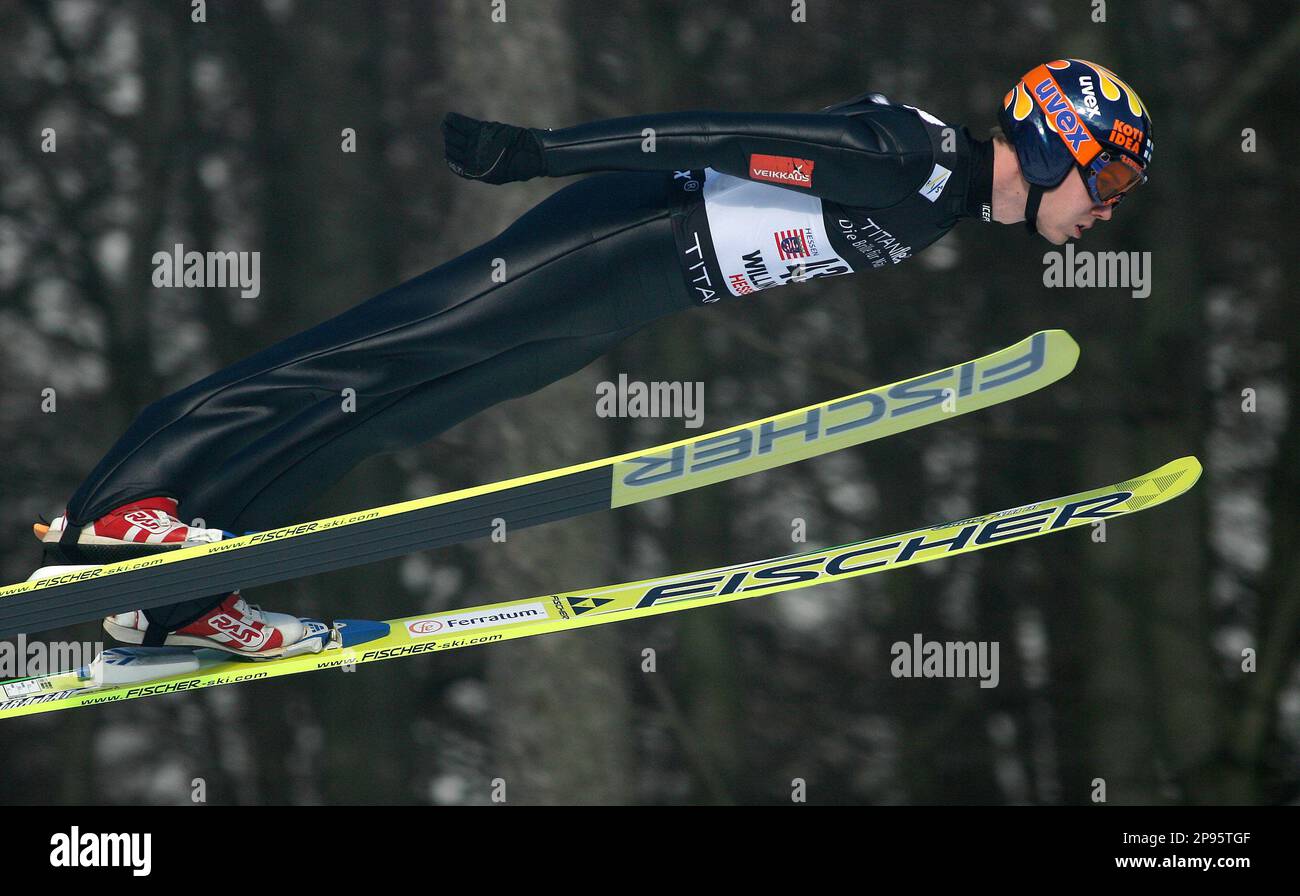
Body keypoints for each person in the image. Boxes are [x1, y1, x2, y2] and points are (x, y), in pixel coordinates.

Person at [41, 58, 1153, 657]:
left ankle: (186, 580)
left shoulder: (948, 201)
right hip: (612, 241)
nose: (1104, 209)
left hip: (636, 294)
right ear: (1056, 138)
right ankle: (117, 514)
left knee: (388, 413)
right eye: (1105, 181)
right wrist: (540, 156)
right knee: (369, 357)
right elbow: (714, 133)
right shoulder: (911, 157)